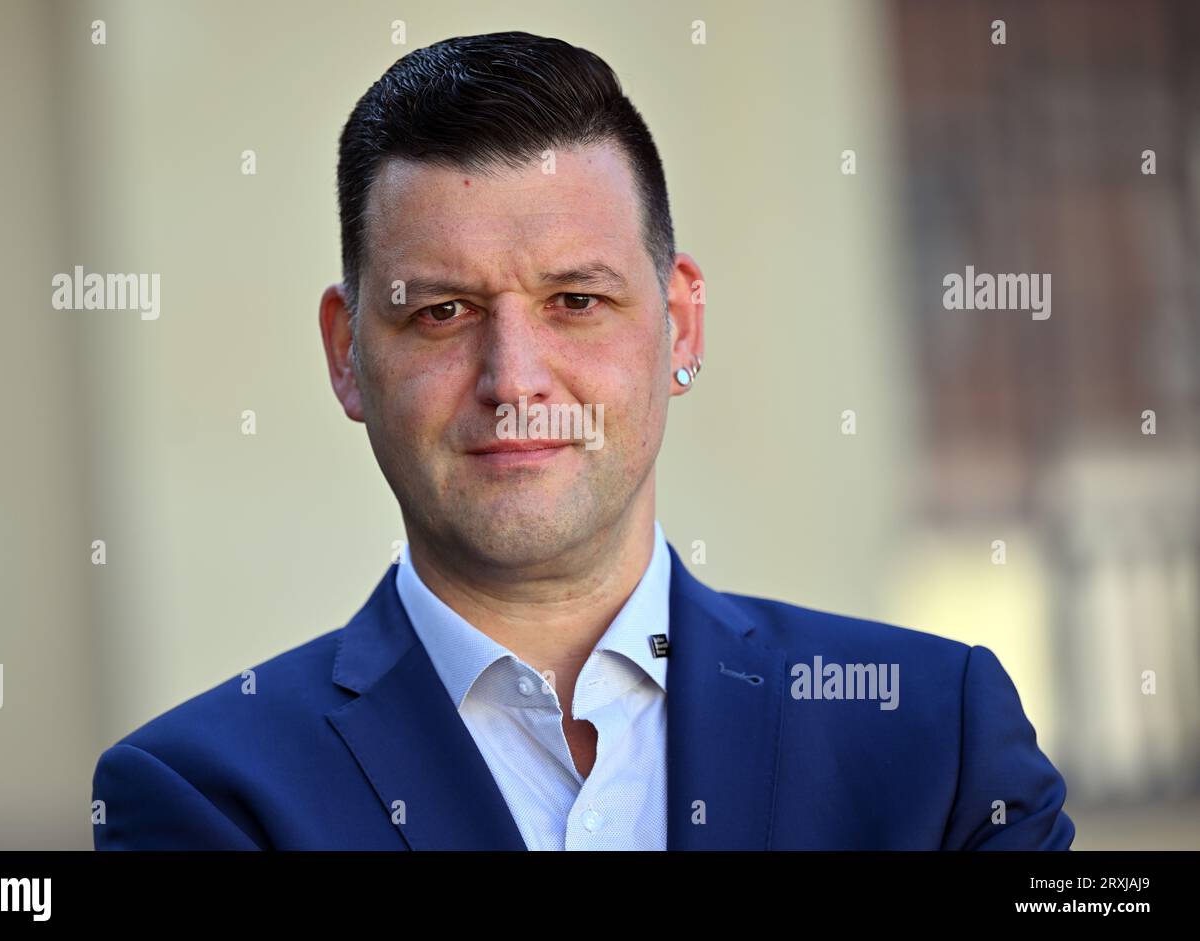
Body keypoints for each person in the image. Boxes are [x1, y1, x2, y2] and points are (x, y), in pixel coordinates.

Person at [92, 30, 1074, 851]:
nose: (512, 377)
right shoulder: (205, 797)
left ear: (680, 325)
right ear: (347, 353)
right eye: (440, 311)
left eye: (574, 300)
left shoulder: (930, 732)